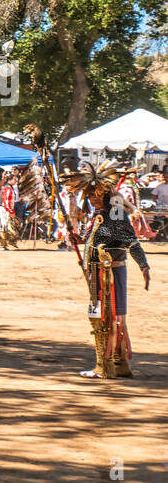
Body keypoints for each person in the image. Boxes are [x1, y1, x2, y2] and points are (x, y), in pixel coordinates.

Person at [62, 161, 151, 379]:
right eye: (89, 196)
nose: (91, 199)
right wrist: (79, 238)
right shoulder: (99, 215)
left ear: (103, 195)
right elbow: (95, 238)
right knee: (109, 316)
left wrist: (143, 265)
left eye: (94, 195)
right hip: (98, 273)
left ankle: (104, 366)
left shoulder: (116, 214)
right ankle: (118, 364)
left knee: (104, 317)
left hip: (108, 274)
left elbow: (131, 240)